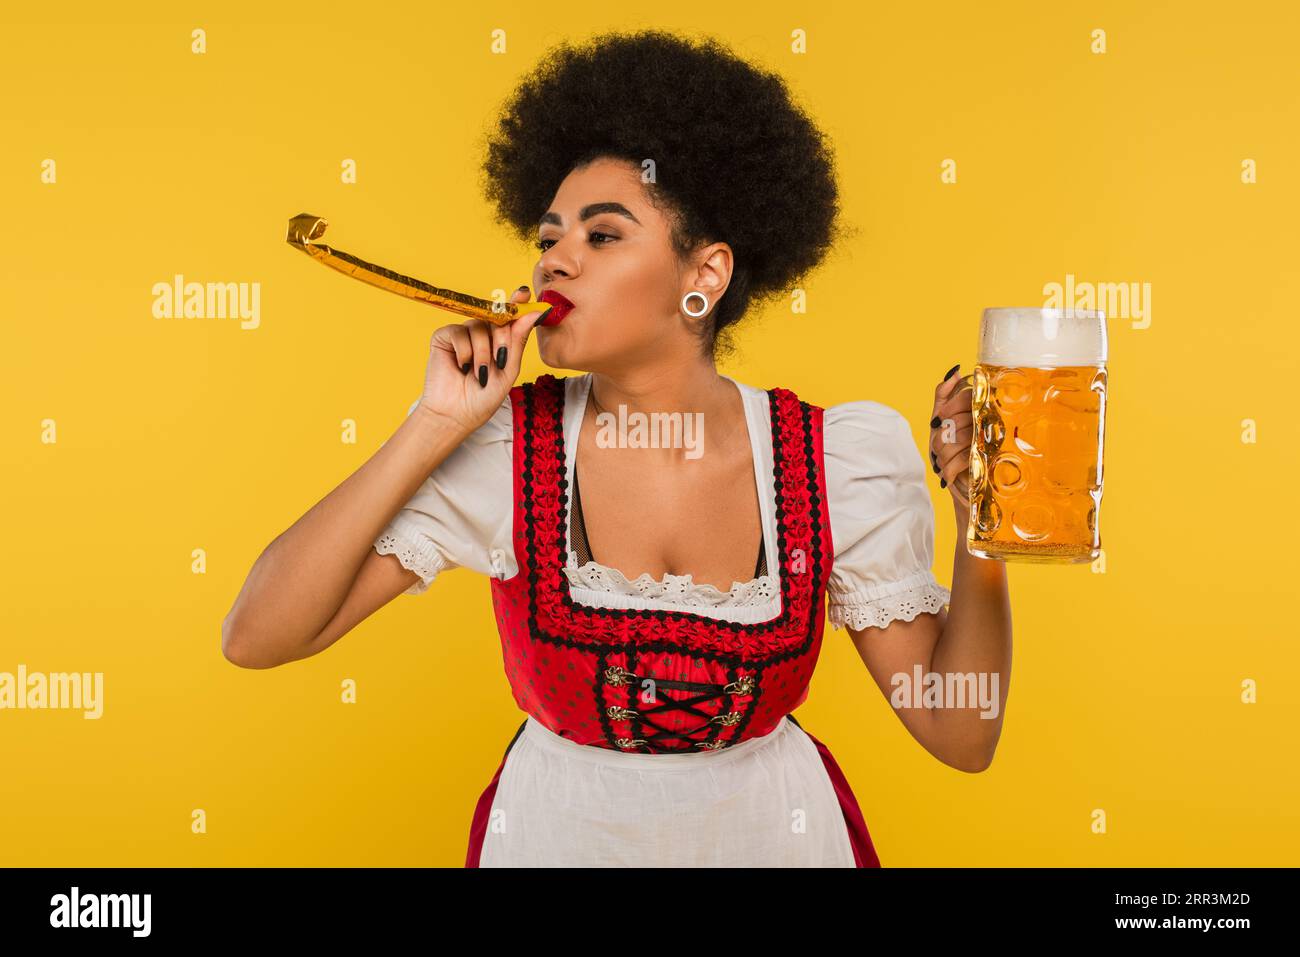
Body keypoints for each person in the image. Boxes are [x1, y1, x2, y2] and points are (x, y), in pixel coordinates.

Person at [222, 29, 1012, 867]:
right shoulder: (504, 450)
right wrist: (435, 422)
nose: (552, 262)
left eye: (601, 237)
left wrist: (979, 521)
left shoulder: (830, 458)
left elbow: (960, 734)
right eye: (548, 236)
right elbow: (258, 636)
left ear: (702, 276)